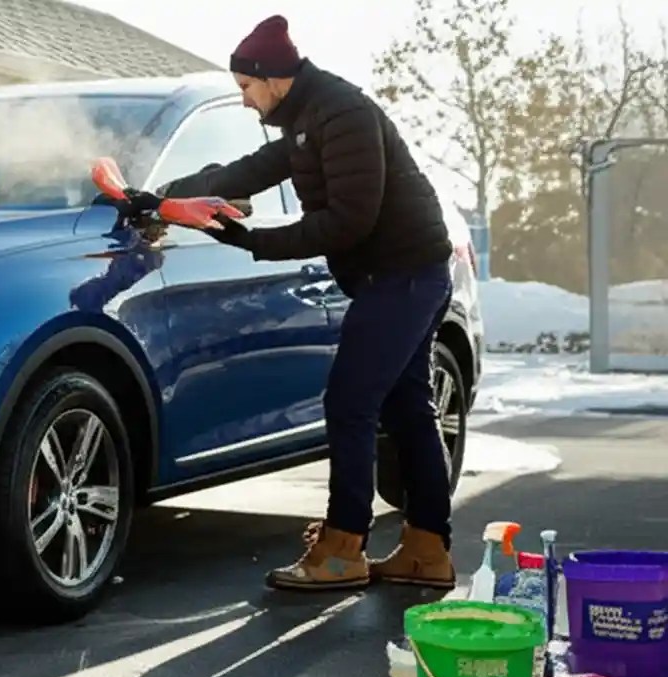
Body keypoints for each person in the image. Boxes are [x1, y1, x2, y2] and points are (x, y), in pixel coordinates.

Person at [155, 15, 457, 592]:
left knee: (349, 401)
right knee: (406, 409)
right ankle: (426, 548)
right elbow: (245, 172)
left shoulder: (341, 114)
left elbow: (350, 220)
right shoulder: (303, 119)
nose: (244, 101)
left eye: (246, 87)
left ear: (273, 77)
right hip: (394, 277)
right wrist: (163, 198)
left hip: (404, 274)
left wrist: (257, 242)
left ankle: (343, 548)